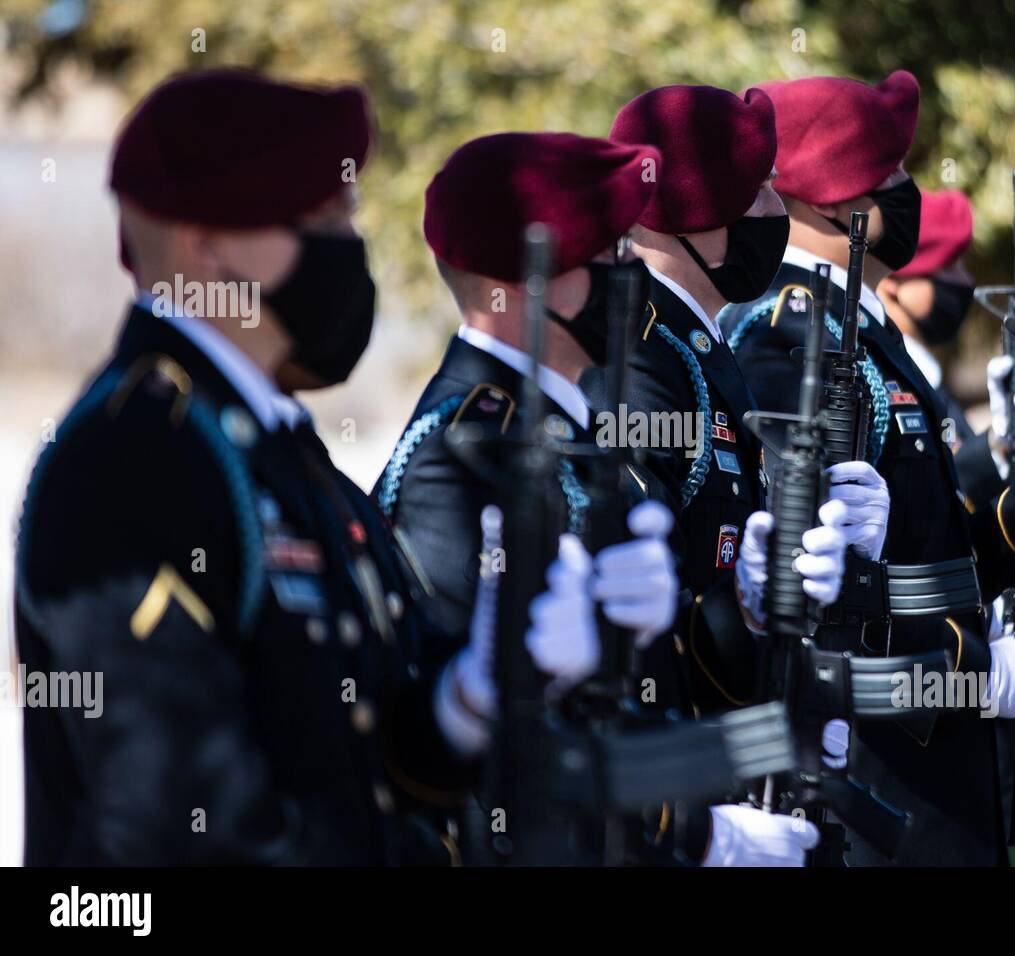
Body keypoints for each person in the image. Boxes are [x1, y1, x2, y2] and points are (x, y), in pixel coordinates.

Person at [12, 69, 594, 865]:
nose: (346, 246)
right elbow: (189, 826)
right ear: (205, 247)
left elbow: (364, 759)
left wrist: (467, 698)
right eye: (318, 219)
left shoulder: (272, 445)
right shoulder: (134, 459)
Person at [375, 130, 817, 865]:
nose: (628, 273)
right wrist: (696, 832)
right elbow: (485, 750)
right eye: (605, 254)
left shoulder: (557, 430)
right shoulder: (458, 456)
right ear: (522, 280)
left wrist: (741, 599)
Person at [719, 73, 1015, 864]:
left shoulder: (868, 336)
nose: (907, 191)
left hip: (933, 772)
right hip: (875, 784)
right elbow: (827, 609)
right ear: (835, 198)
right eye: (887, 175)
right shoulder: (784, 339)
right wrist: (979, 675)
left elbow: (949, 553)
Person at [592, 83, 864, 717]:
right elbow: (641, 630)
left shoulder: (693, 346)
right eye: (757, 191)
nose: (775, 209)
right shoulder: (641, 360)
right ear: (695, 210)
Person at [875, 188, 979, 446]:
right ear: (891, 280)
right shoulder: (883, 379)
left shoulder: (928, 378)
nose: (965, 280)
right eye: (947, 267)